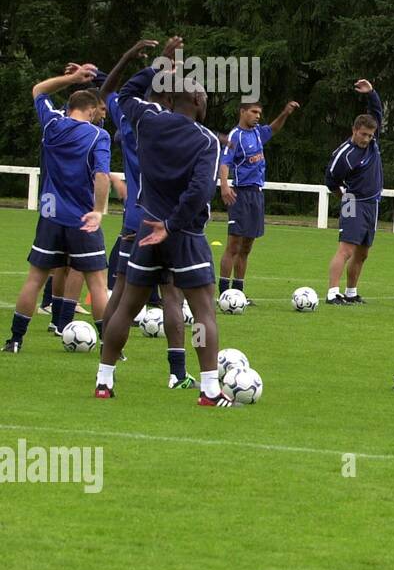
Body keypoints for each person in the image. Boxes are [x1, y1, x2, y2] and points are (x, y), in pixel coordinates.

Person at [94, 53, 233, 405]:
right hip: (182, 234)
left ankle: (104, 381)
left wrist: (156, 68)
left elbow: (123, 94)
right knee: (202, 313)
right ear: (198, 101)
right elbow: (200, 190)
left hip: (145, 228)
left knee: (126, 308)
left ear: (169, 99)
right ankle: (209, 390)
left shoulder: (149, 120)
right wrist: (171, 226)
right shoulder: (206, 140)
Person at [98, 38, 194, 386]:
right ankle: (178, 373)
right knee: (173, 294)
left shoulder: (129, 118)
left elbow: (108, 90)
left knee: (123, 295)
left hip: (134, 220)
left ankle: (106, 364)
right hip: (165, 221)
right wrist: (174, 65)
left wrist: (133, 57)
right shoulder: (176, 126)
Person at [4, 65, 111, 353]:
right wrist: (99, 210)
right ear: (90, 110)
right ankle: (108, 346)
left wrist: (72, 79)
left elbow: (38, 90)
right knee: (97, 284)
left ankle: (15, 340)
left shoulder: (52, 124)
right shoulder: (98, 137)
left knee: (35, 279)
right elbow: (102, 176)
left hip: (50, 217)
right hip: (82, 220)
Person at [218, 98, 300, 302]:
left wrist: (285, 113)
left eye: (259, 113)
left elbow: (273, 129)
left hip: (256, 194)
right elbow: (225, 162)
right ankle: (224, 292)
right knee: (234, 244)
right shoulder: (235, 136)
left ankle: (239, 291)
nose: (257, 116)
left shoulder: (257, 132)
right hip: (240, 194)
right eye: (254, 112)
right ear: (242, 112)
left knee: (247, 246)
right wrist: (225, 186)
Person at [324, 80, 384, 305]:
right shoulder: (344, 155)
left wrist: (371, 93)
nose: (367, 139)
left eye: (370, 135)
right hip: (352, 201)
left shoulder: (372, 143)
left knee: (363, 252)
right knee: (346, 249)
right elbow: (330, 179)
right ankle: (332, 293)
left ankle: (351, 292)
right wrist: (343, 196)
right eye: (363, 135)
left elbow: (376, 112)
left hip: (373, 204)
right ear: (354, 130)